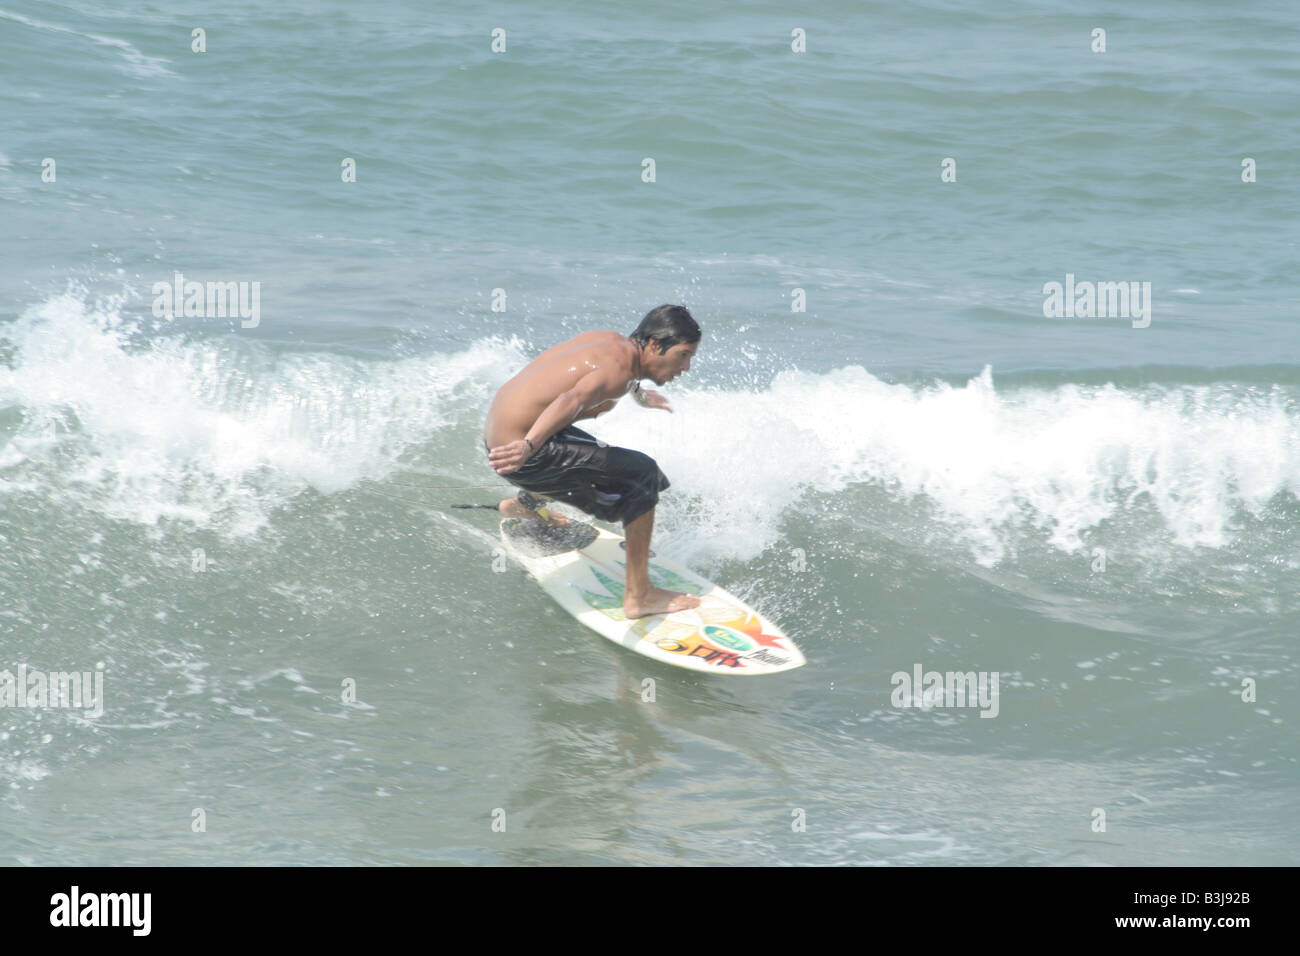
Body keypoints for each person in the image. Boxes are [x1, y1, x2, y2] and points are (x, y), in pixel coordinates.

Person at [483, 305, 702, 619]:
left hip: (500, 437)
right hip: (522, 451)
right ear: (655, 345)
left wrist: (640, 395)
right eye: (683, 355)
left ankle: (525, 505)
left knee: (591, 457)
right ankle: (639, 596)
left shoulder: (609, 344)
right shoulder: (618, 373)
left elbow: (592, 381)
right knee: (644, 475)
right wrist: (529, 446)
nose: (687, 366)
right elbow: (569, 400)